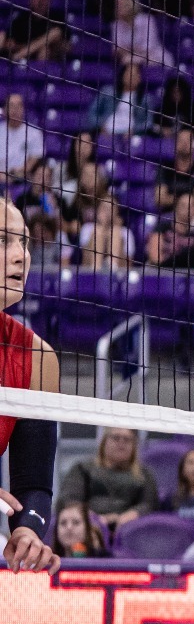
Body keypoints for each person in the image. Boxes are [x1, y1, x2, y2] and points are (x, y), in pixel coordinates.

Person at [0, 200, 60, 571]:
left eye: (24, 243)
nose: (21, 256)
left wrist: (27, 529)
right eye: (2, 240)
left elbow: (34, 484)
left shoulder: (37, 356)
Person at [86, 61, 155, 138]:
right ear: (122, 75)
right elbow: (92, 112)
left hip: (131, 136)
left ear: (140, 78)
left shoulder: (145, 99)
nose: (131, 77)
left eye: (135, 74)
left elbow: (149, 122)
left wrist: (134, 130)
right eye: (129, 73)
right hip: (106, 133)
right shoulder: (107, 92)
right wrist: (100, 126)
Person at [5, 0, 69, 63]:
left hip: (49, 58)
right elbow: (9, 43)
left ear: (49, 0)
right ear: (31, 0)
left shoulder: (58, 18)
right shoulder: (21, 19)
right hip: (23, 58)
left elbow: (68, 46)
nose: (40, 1)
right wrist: (34, 47)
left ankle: (22, 57)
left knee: (55, 34)